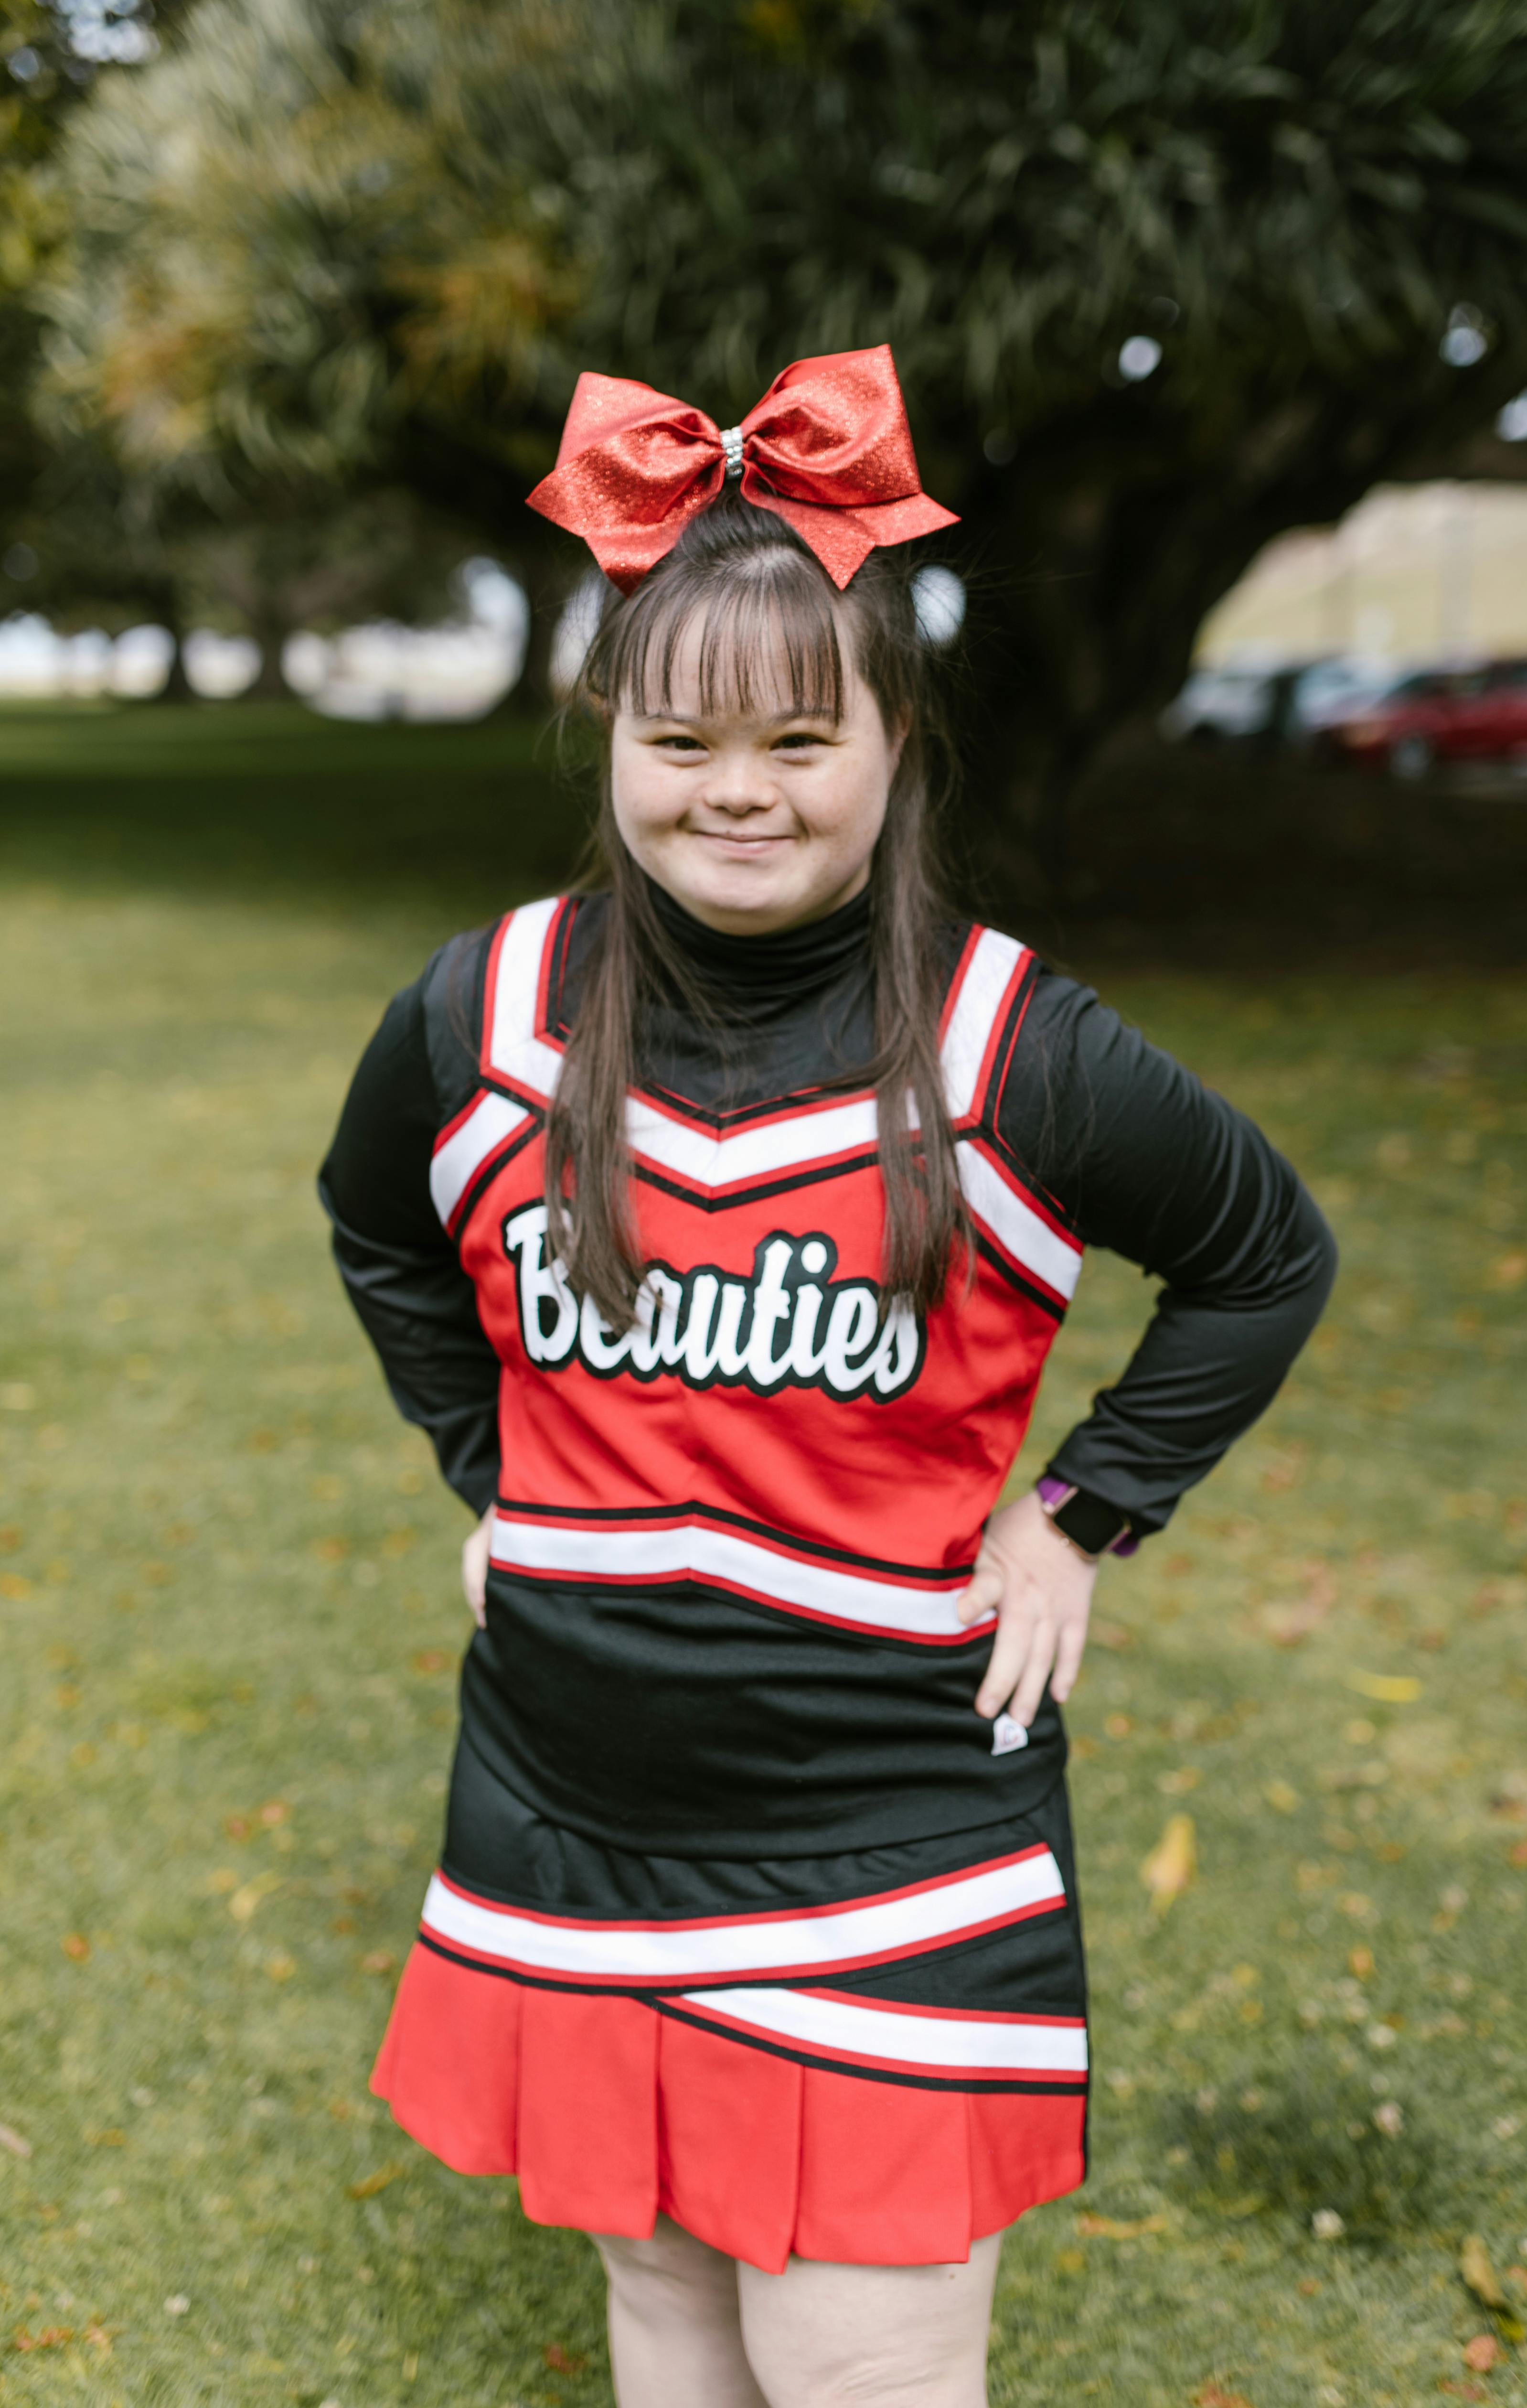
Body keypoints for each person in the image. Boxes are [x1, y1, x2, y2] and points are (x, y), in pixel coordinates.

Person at [319, 347, 1336, 2408]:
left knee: (861, 2354)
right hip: (569, 1797)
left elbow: (1263, 1258)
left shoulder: (1014, 1053)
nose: (741, 786)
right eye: (681, 734)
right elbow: (376, 1235)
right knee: (671, 2308)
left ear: (895, 745)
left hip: (886, 1832)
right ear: (609, 734)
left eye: (804, 733)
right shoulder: (487, 1013)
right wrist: (489, 1465)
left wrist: (1084, 1509)